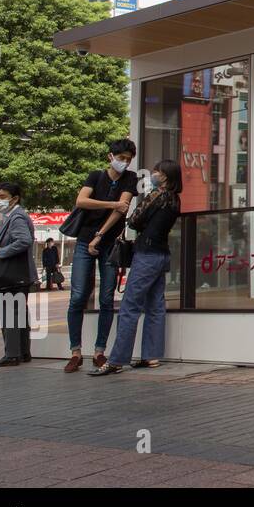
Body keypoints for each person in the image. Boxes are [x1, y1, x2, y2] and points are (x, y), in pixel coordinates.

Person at [90, 160, 183, 376]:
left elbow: (134, 219)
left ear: (166, 176)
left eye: (157, 171)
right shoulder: (175, 200)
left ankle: (116, 360)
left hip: (147, 254)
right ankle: (151, 356)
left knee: (129, 306)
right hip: (162, 254)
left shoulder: (157, 195)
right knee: (155, 305)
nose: (154, 174)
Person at [65, 139, 138, 373]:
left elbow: (122, 209)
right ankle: (75, 351)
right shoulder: (95, 176)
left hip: (108, 243)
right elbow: (81, 201)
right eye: (121, 158)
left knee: (107, 298)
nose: (124, 163)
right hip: (84, 241)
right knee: (77, 296)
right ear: (111, 156)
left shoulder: (130, 178)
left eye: (128, 159)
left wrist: (99, 235)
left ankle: (99, 351)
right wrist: (111, 203)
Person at [0, 182, 35, 367]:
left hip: (13, 274)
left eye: (2, 197)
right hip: (19, 274)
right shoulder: (13, 216)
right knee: (18, 312)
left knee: (11, 314)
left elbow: (24, 240)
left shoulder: (17, 217)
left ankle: (12, 354)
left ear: (15, 198)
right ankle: (22, 352)